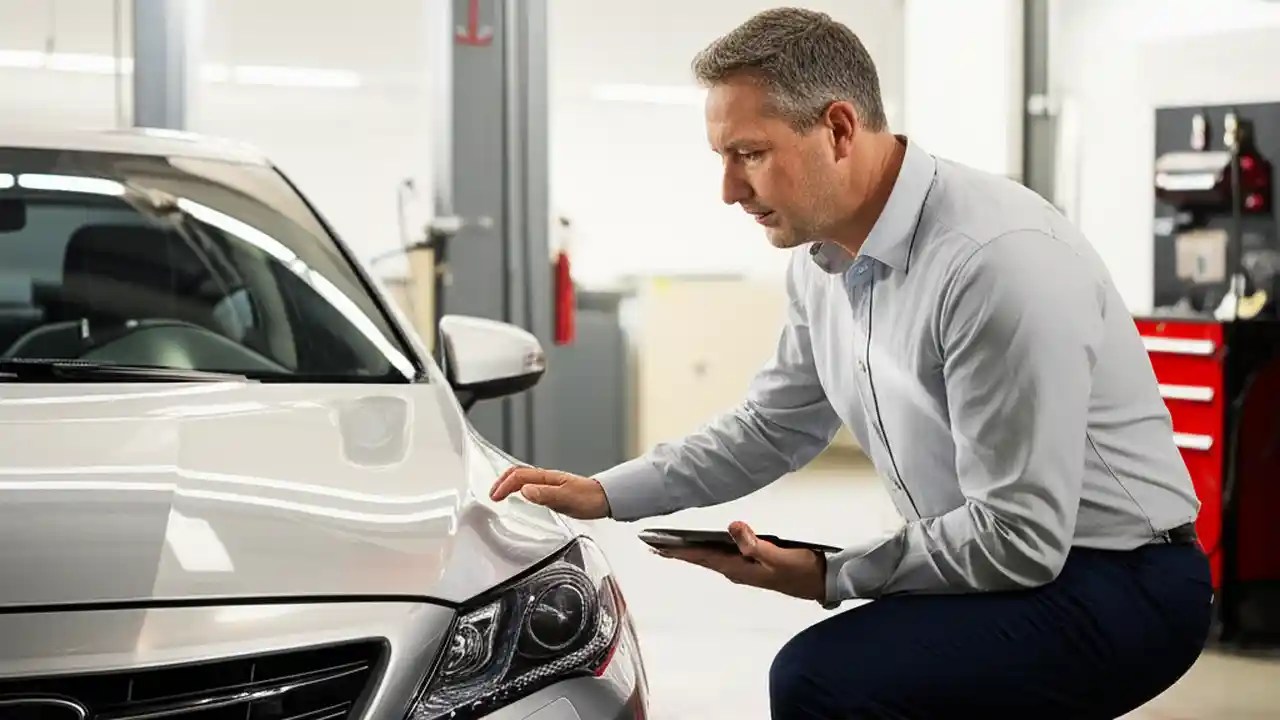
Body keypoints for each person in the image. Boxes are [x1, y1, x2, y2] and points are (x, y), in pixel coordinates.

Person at [490, 7, 1212, 719]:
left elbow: (1020, 538)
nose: (729, 191)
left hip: (1122, 580)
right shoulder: (825, 259)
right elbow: (772, 428)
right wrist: (604, 493)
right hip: (1014, 565)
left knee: (824, 678)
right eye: (722, 158)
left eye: (750, 154)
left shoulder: (993, 264)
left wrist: (831, 573)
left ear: (837, 129)